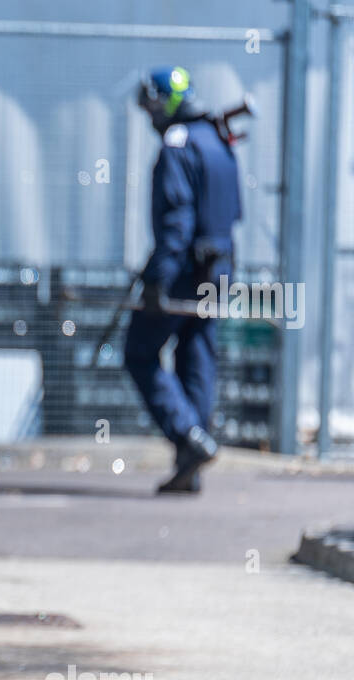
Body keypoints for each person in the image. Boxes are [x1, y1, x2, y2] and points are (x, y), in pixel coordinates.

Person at [125, 67, 241, 494]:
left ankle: (190, 438)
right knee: (196, 353)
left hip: (183, 272)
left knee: (139, 352)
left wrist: (157, 278)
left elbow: (176, 220)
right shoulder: (218, 141)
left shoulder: (177, 145)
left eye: (152, 106)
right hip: (220, 269)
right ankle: (190, 463)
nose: (150, 116)